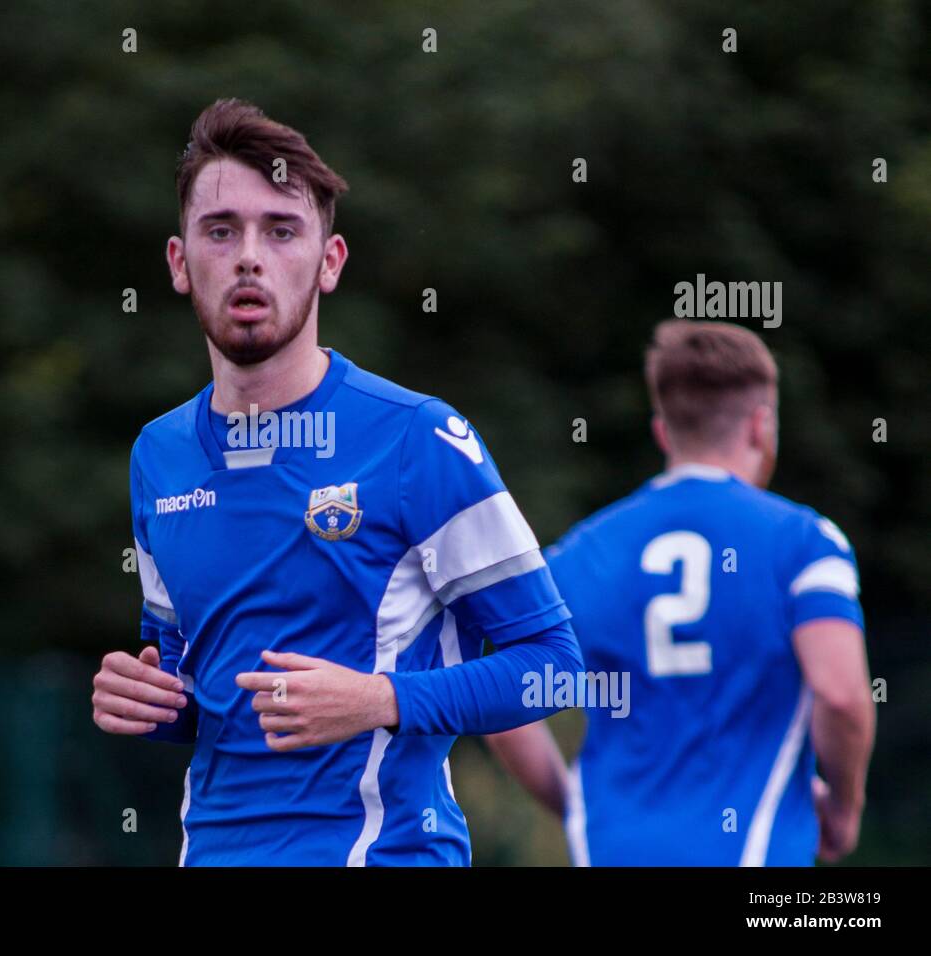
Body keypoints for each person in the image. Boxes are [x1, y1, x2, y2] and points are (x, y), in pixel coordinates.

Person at [91, 98, 582, 865]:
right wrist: (146, 702)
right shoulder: (159, 456)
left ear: (329, 261)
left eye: (281, 230)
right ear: (180, 263)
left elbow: (554, 667)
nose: (249, 256)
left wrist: (379, 700)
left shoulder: (419, 439)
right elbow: (198, 689)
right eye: (221, 230)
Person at [486, 319, 876, 865]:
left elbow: (508, 709)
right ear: (761, 426)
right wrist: (844, 808)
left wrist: (576, 807)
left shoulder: (576, 555)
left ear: (663, 432)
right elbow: (841, 693)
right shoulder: (804, 542)